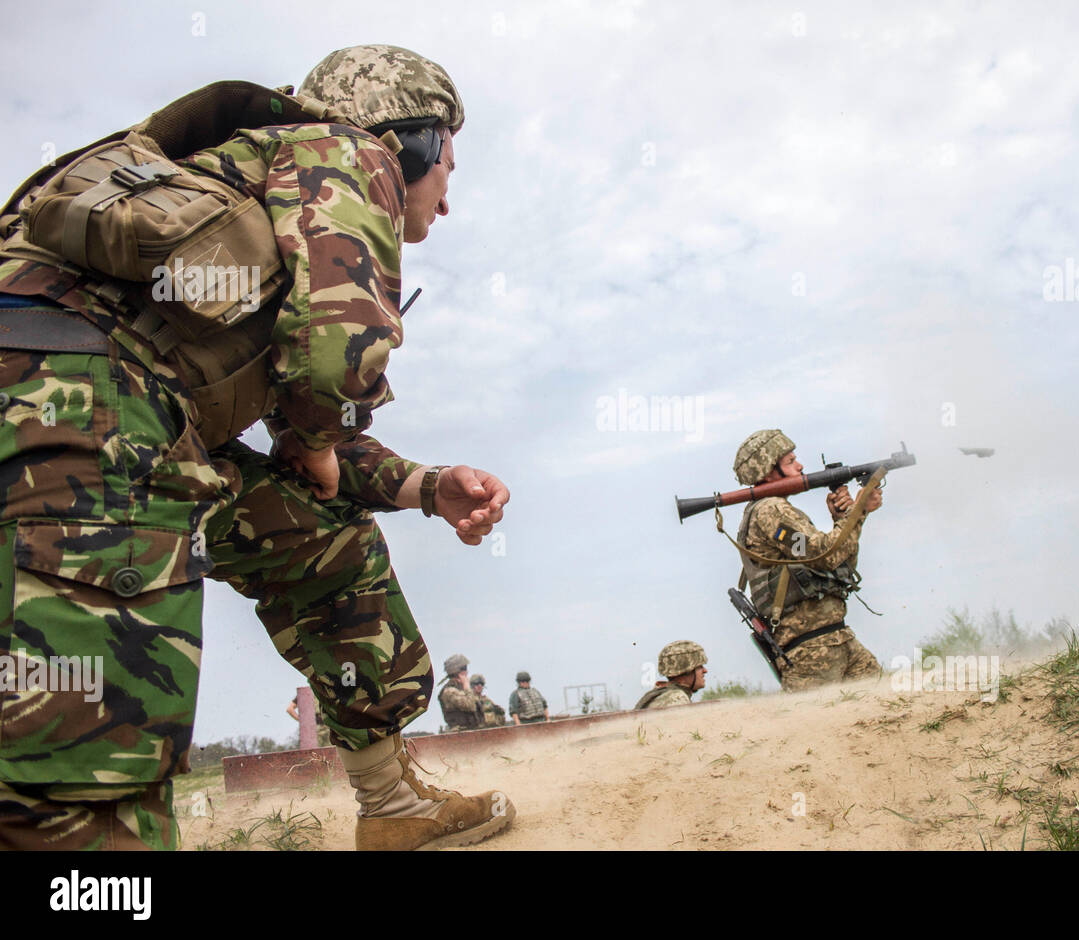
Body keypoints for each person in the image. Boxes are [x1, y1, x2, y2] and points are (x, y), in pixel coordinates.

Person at [0, 45, 516, 851]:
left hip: (107, 405)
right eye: (449, 162)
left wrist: (428, 483)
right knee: (81, 796)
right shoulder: (349, 153)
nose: (445, 201)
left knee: (316, 538)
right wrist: (316, 436)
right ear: (411, 141)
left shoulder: (243, 194)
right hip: (74, 416)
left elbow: (307, 432)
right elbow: (340, 357)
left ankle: (393, 803)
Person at [732, 429, 883, 691]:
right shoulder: (771, 511)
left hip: (834, 639)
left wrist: (845, 518)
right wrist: (858, 511)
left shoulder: (771, 510)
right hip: (812, 652)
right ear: (768, 471)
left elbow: (837, 566)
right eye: (790, 462)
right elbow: (824, 555)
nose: (800, 466)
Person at [634, 641, 708, 709]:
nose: (705, 671)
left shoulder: (661, 695)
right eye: (700, 667)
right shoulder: (677, 699)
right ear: (687, 671)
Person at [437, 654, 484, 732]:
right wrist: (467, 686)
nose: (467, 672)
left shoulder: (461, 688)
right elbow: (470, 705)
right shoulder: (449, 691)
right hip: (459, 734)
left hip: (471, 731)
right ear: (458, 672)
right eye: (464, 669)